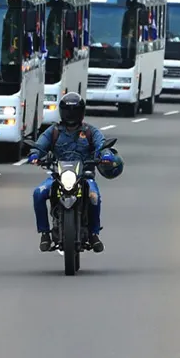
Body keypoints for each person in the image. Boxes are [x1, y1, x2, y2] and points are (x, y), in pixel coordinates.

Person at [27, 92, 123, 253]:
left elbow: (102, 145)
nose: (71, 115)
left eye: (74, 111)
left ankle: (93, 234)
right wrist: (35, 155)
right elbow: (39, 145)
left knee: (94, 197)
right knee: (38, 193)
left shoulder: (90, 131)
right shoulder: (54, 131)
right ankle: (44, 233)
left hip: (84, 176)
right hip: (58, 177)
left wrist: (105, 155)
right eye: (67, 111)